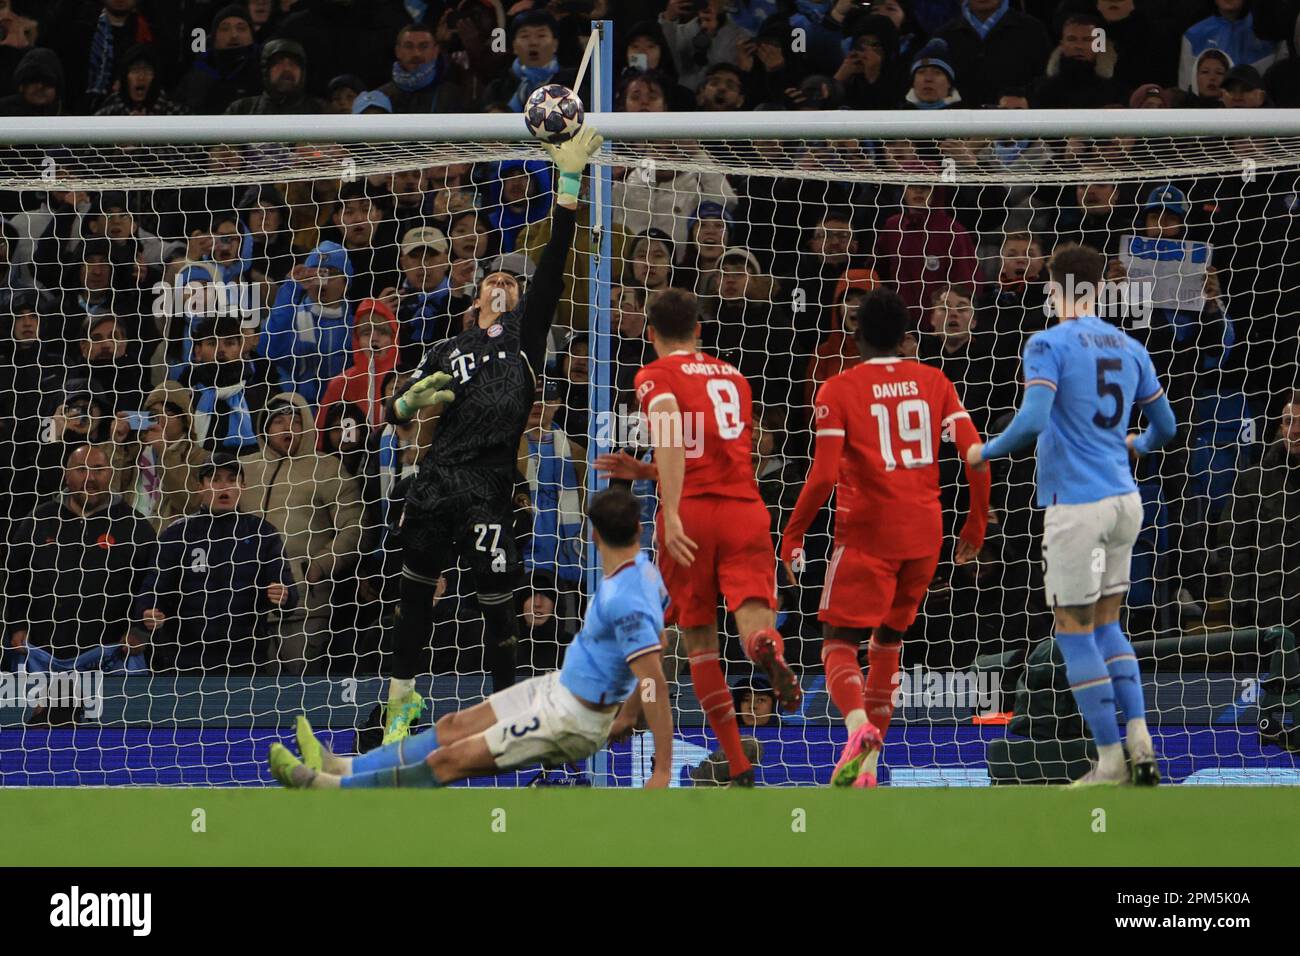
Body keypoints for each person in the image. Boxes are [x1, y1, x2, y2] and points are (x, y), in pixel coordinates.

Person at [377, 125, 604, 745]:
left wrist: (568, 185)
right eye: (492, 280)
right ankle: (401, 706)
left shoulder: (528, 345)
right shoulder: (448, 346)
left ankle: (510, 717)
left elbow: (555, 261)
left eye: (512, 280)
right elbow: (396, 412)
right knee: (414, 597)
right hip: (435, 482)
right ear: (476, 296)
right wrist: (408, 398)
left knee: (498, 611)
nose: (502, 283)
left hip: (489, 487)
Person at [270, 485, 674, 790]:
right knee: (453, 725)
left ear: (593, 536)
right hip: (557, 687)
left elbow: (653, 675)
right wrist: (628, 713)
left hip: (572, 718)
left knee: (453, 761)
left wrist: (661, 768)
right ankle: (345, 766)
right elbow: (660, 646)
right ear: (638, 530)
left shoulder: (625, 597)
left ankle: (332, 787)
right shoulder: (643, 570)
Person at [968, 244, 1177, 786]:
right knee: (1110, 626)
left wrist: (983, 451)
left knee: (1072, 631)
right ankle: (1139, 737)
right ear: (1098, 288)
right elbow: (1168, 428)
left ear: (1054, 288)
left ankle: (1109, 761)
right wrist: (1137, 441)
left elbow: (1035, 418)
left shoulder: (1047, 342)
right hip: (1125, 501)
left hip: (1076, 506)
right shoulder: (1130, 347)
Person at [779, 288, 991, 788]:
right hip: (925, 535)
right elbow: (975, 452)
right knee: (889, 640)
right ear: (905, 337)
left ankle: (857, 727)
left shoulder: (838, 388)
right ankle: (868, 769)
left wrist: (792, 532)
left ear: (856, 336)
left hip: (868, 534)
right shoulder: (934, 380)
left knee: (837, 641)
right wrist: (977, 521)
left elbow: (825, 474)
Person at [597, 287, 802, 786]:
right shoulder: (733, 377)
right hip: (745, 511)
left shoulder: (653, 375)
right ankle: (764, 645)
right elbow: (709, 452)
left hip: (691, 513)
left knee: (700, 642)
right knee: (753, 617)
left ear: (650, 335)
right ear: (699, 331)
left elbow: (669, 431)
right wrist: (644, 471)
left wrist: (670, 509)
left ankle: (737, 763)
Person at [136, 453, 299, 671]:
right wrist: (147, 611)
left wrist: (284, 596)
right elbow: (153, 588)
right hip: (186, 662)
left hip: (247, 661)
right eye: (215, 479)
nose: (224, 486)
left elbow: (288, 593)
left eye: (232, 479)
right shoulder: (177, 533)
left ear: (243, 485)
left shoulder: (263, 533)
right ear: (200, 487)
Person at [4, 444, 157, 675]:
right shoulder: (38, 520)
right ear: (66, 474)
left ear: (111, 473)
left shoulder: (135, 526)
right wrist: (16, 625)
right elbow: (14, 579)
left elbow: (153, 584)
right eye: (81, 470)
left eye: (98, 470)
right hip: (42, 655)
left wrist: (139, 630)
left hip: (111, 657)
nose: (90, 478)